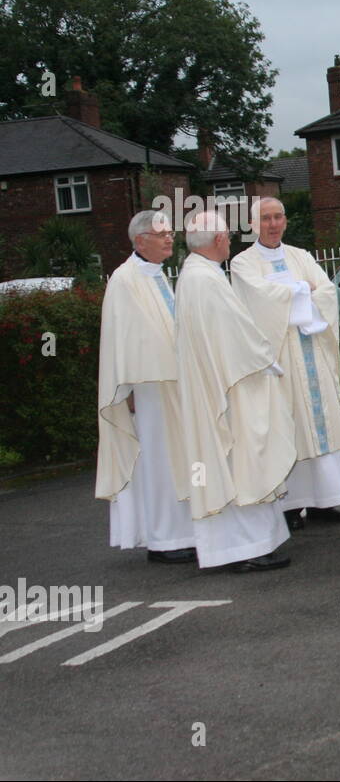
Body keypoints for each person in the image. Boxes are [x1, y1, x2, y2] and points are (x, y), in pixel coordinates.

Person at [175, 210, 296, 570]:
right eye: (227, 235)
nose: (229, 240)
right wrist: (266, 358)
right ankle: (243, 549)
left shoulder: (194, 276)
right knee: (242, 463)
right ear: (217, 241)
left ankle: (250, 544)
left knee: (236, 464)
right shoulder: (206, 280)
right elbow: (236, 336)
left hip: (216, 384)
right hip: (231, 387)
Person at [231, 197, 340, 531]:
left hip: (309, 349)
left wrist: (293, 291)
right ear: (253, 224)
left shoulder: (301, 256)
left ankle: (323, 502)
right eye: (265, 218)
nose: (272, 224)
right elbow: (258, 300)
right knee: (286, 426)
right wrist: (302, 290)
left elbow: (326, 292)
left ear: (286, 221)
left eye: (278, 217)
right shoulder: (244, 263)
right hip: (278, 358)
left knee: (319, 423)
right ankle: (288, 504)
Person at [95, 209, 195, 562]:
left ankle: (182, 531)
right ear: (140, 240)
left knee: (177, 459)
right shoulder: (125, 279)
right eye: (161, 233)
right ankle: (162, 539)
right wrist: (132, 389)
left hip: (173, 386)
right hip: (150, 388)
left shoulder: (157, 275)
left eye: (170, 232)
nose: (169, 237)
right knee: (158, 462)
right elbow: (127, 339)